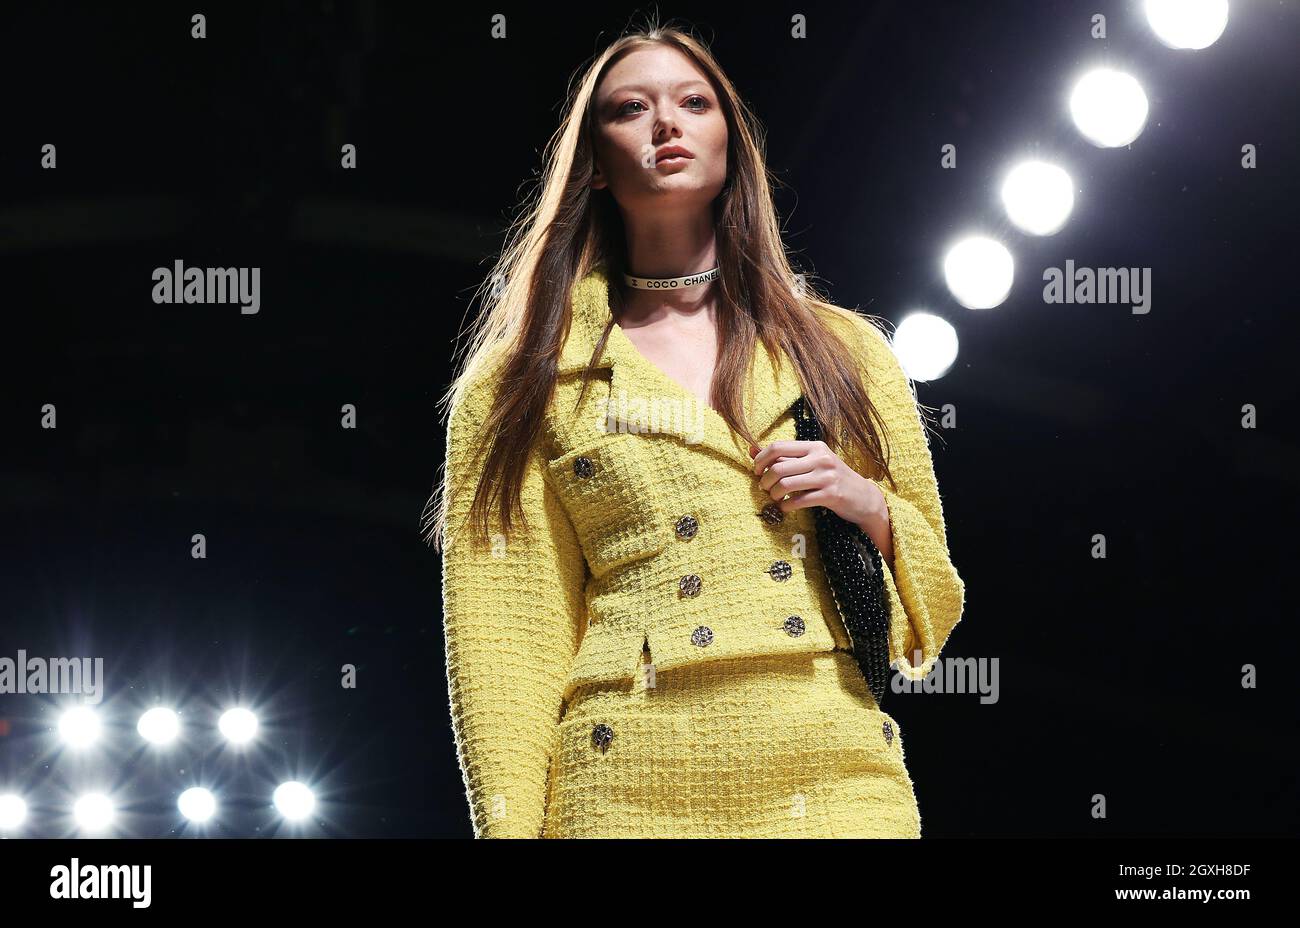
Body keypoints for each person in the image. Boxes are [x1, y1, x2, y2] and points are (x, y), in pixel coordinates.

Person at [425, 19, 965, 838]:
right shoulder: (522, 384)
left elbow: (936, 606)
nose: (666, 123)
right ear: (594, 165)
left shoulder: (844, 349)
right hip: (626, 778)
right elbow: (506, 645)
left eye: (694, 102)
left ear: (730, 144)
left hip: (837, 767)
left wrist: (869, 505)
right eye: (630, 109)